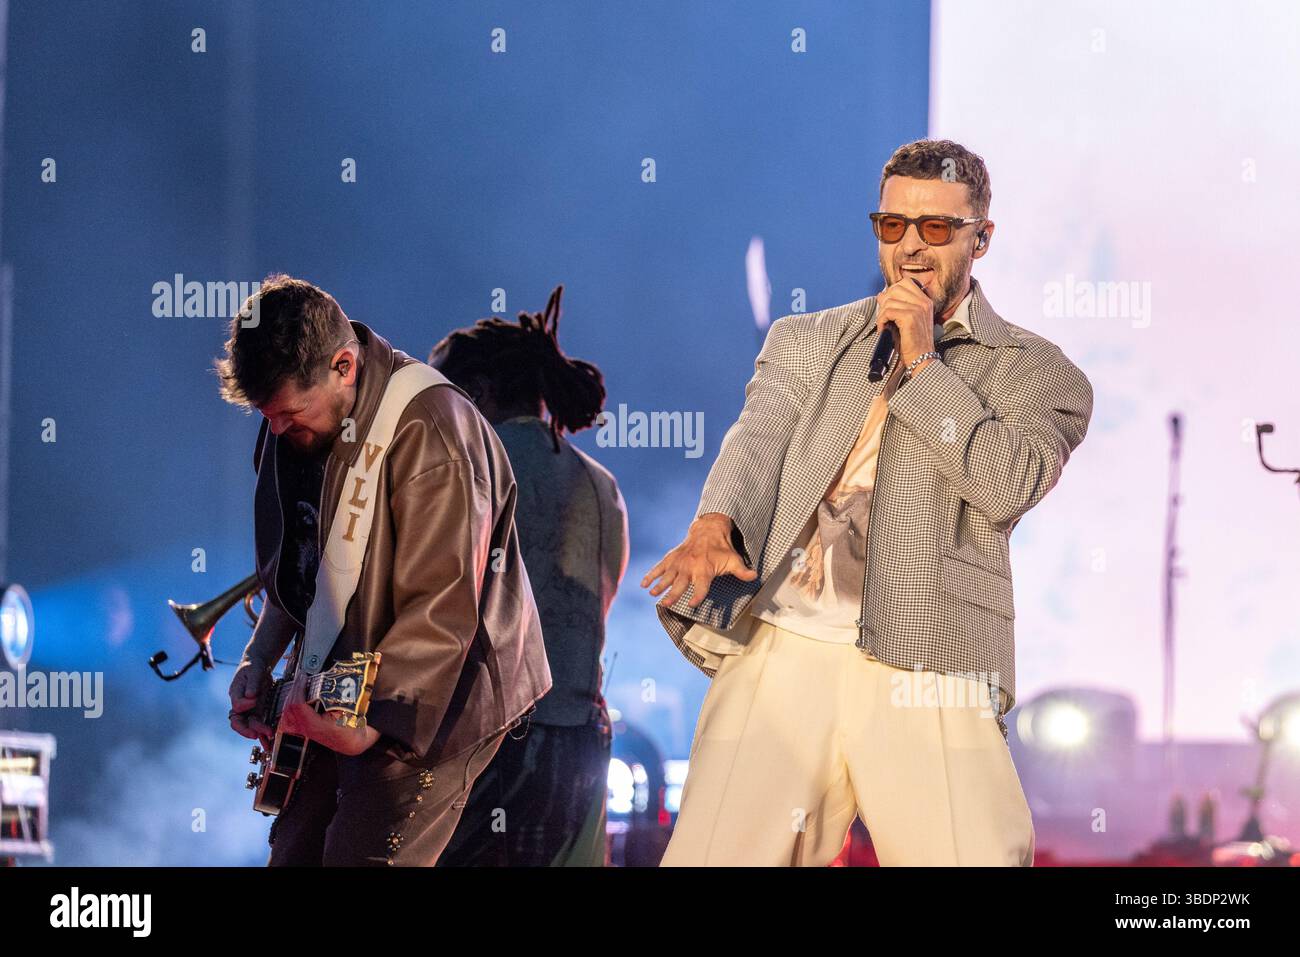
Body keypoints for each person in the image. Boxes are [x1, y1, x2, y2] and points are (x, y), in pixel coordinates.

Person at [643, 139, 1093, 866]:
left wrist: (921, 363)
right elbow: (758, 436)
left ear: (982, 238)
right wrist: (714, 521)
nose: (912, 248)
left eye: (937, 229)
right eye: (894, 226)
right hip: (784, 643)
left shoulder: (1036, 372)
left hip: (930, 652)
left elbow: (1007, 483)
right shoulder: (808, 338)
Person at [219, 274, 551, 866]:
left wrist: (369, 728)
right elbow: (302, 567)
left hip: (442, 690)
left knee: (364, 855)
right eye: (267, 417)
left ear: (344, 366)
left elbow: (441, 611)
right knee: (292, 855)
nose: (276, 431)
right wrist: (258, 658)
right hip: (347, 675)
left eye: (291, 415)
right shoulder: (291, 419)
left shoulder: (432, 430)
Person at [430, 285, 628, 866]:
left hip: (496, 748)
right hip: (579, 744)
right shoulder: (603, 485)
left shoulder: (471, 470)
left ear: (477, 393)